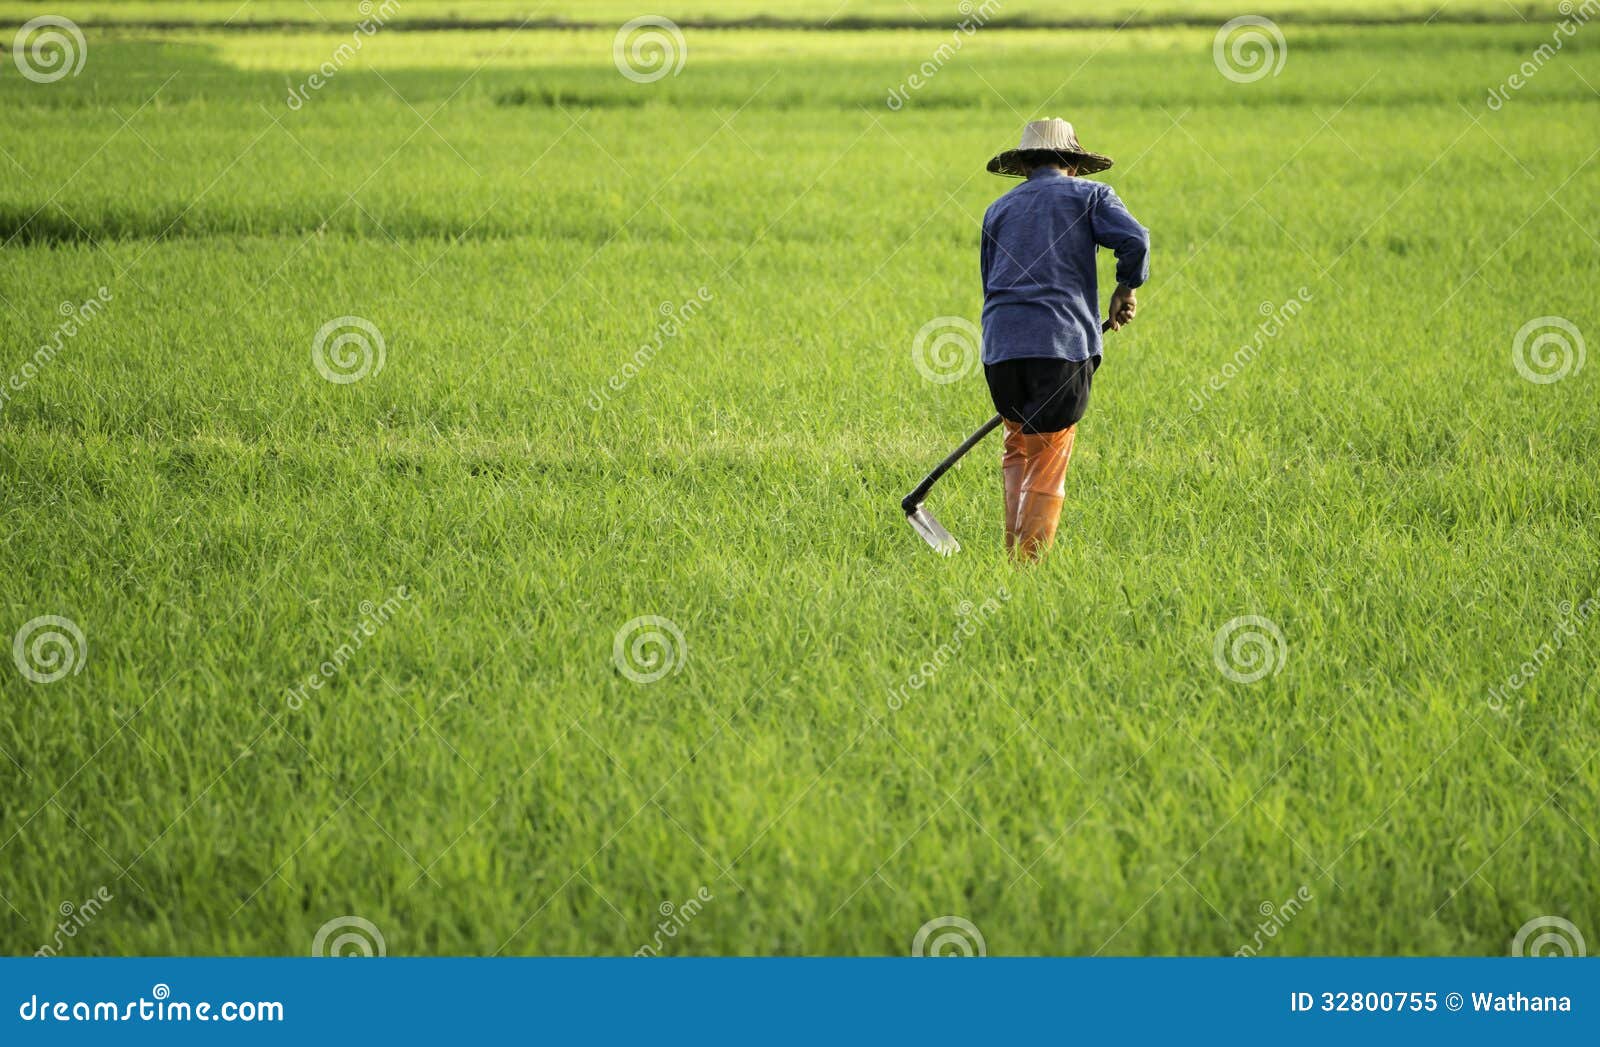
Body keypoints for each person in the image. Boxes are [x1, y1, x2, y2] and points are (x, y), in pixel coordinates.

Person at [981, 118, 1150, 560]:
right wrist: (1126, 288)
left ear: (1023, 167)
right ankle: (1028, 569)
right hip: (1059, 347)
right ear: (1073, 164)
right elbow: (1135, 239)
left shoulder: (997, 209)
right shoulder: (1091, 196)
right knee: (1048, 455)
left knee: (1019, 444)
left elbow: (991, 281)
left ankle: (1013, 556)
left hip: (1000, 350)